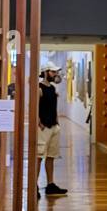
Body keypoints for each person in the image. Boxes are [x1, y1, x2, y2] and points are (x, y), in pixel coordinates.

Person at [38, 65, 67, 197]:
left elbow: (53, 107)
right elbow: (33, 106)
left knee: (51, 156)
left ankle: (50, 184)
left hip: (54, 126)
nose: (55, 74)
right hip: (43, 127)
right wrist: (38, 122)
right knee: (38, 157)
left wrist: (57, 123)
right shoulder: (39, 88)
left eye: (56, 71)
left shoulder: (53, 88)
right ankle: (34, 186)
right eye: (52, 71)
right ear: (45, 72)